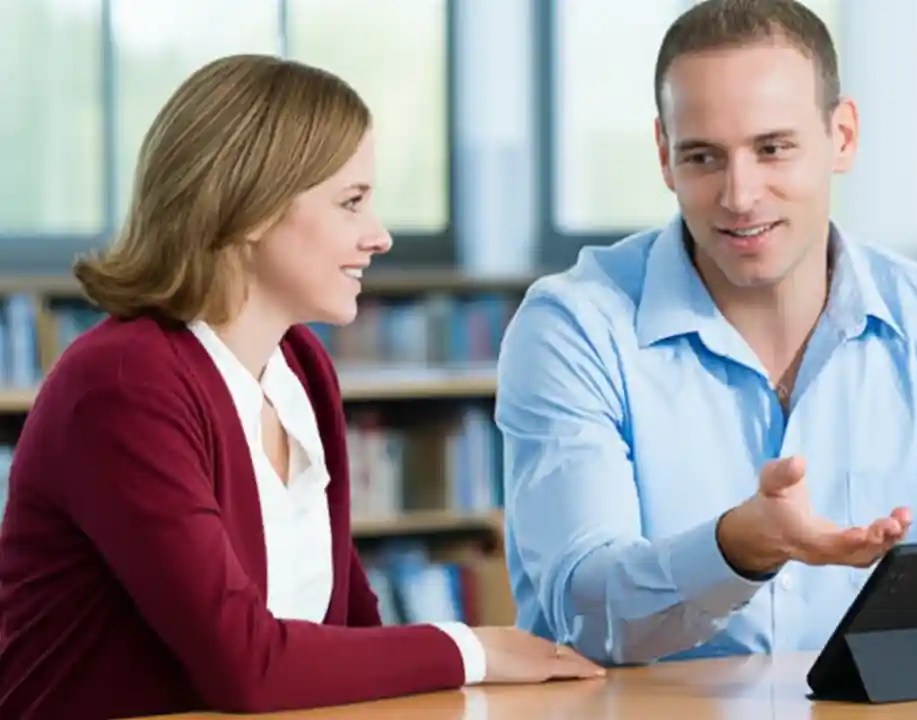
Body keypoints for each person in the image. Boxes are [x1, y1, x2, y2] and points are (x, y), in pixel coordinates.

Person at [495, 0, 917, 667]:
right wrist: (735, 548)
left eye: (773, 149)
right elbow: (583, 612)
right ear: (664, 155)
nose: (740, 195)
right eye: (704, 157)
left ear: (843, 136)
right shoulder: (571, 329)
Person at [0, 54, 601, 720]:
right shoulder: (122, 384)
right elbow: (247, 667)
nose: (380, 236)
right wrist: (475, 651)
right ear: (249, 208)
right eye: (351, 203)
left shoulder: (299, 365)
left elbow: (350, 628)